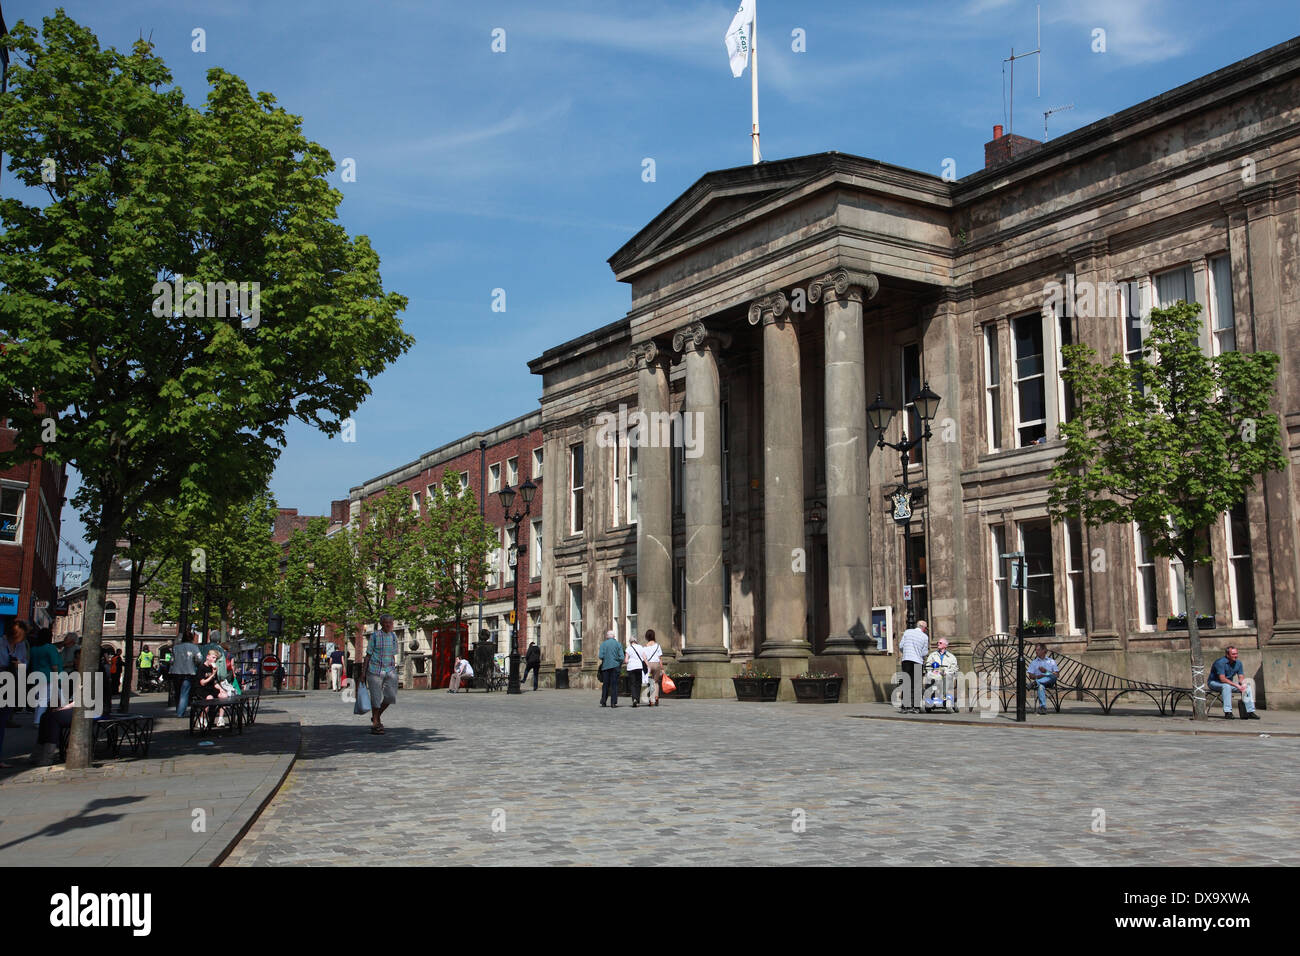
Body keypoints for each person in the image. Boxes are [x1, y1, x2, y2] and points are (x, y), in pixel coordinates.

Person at [365, 614, 399, 734]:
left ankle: (376, 715)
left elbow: (393, 655)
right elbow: (368, 655)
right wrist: (363, 674)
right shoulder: (374, 636)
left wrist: (394, 670)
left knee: (391, 696)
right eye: (386, 622)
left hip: (389, 670)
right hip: (375, 670)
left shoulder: (394, 636)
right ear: (382, 623)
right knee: (376, 697)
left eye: (391, 622)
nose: (389, 624)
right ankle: (376, 724)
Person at [1208, 645, 1259, 719]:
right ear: (1227, 655)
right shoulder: (1220, 662)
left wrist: (1242, 684)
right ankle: (1228, 712)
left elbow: (1241, 677)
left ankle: (1250, 712)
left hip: (1229, 683)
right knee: (1226, 686)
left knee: (1247, 687)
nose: (1236, 656)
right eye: (1233, 654)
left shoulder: (1238, 663)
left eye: (1236, 654)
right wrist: (1236, 685)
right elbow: (1222, 679)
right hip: (1214, 683)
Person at [29, 629, 63, 727]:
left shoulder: (34, 649)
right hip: (49, 677)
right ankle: (37, 721)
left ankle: (38, 719)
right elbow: (54, 665)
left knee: (43, 698)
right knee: (44, 699)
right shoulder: (50, 648)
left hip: (37, 676)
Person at [898, 619, 929, 713]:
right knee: (917, 685)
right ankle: (916, 707)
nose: (925, 630)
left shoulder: (907, 632)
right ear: (923, 628)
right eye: (926, 628)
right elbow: (924, 652)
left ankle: (905, 707)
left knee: (907, 683)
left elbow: (901, 646)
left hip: (906, 660)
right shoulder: (924, 637)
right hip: (917, 661)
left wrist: (907, 652)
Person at [170, 631, 201, 718]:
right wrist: (194, 663)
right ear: (191, 638)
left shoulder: (176, 648)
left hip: (176, 672)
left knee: (177, 692)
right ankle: (180, 713)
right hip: (188, 672)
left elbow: (171, 661)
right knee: (184, 693)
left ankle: (178, 710)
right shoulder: (194, 647)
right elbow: (199, 658)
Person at [923, 637, 959, 711]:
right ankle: (930, 699)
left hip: (946, 675)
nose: (938, 644)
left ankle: (946, 698)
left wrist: (947, 672)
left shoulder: (951, 657)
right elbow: (928, 666)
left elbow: (954, 668)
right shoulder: (932, 655)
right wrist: (931, 671)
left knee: (947, 679)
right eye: (938, 643)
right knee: (930, 678)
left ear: (945, 645)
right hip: (935, 675)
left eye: (940, 643)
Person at [1026, 643, 1058, 715]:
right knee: (1040, 686)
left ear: (1044, 650)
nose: (1036, 652)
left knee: (1052, 676)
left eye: (1038, 650)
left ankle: (1035, 683)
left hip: (1050, 682)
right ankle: (1043, 707)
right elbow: (1030, 675)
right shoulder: (1034, 662)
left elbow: (1056, 675)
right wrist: (1039, 676)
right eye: (1036, 650)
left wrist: (1045, 672)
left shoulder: (1051, 661)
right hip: (1041, 682)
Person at [597, 629, 624, 708]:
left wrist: (606, 659)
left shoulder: (603, 644)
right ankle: (613, 703)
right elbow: (622, 657)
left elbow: (600, 656)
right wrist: (618, 663)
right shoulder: (618, 644)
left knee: (605, 684)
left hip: (605, 667)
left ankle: (603, 701)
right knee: (614, 685)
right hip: (615, 666)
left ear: (607, 636)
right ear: (614, 636)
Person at [641, 630, 664, 706]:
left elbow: (644, 657)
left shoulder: (645, 647)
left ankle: (652, 700)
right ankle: (656, 696)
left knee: (651, 682)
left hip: (649, 665)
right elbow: (660, 658)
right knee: (656, 682)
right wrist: (662, 668)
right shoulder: (657, 646)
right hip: (656, 664)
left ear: (646, 637)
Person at [625, 633, 645, 707]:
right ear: (636, 641)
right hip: (639, 667)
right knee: (638, 684)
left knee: (632, 684)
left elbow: (626, 660)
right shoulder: (640, 647)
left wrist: (629, 661)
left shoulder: (628, 648)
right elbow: (644, 657)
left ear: (630, 641)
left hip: (631, 668)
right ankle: (638, 699)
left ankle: (634, 699)